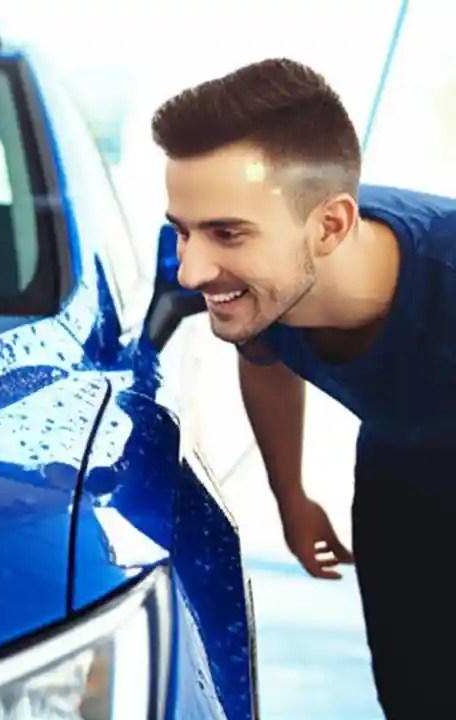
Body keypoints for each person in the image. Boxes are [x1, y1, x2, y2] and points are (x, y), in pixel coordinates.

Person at [150, 58, 456, 718]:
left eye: (226, 233)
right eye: (182, 229)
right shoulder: (266, 283)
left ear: (331, 227)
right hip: (400, 469)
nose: (192, 269)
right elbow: (264, 359)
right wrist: (290, 496)